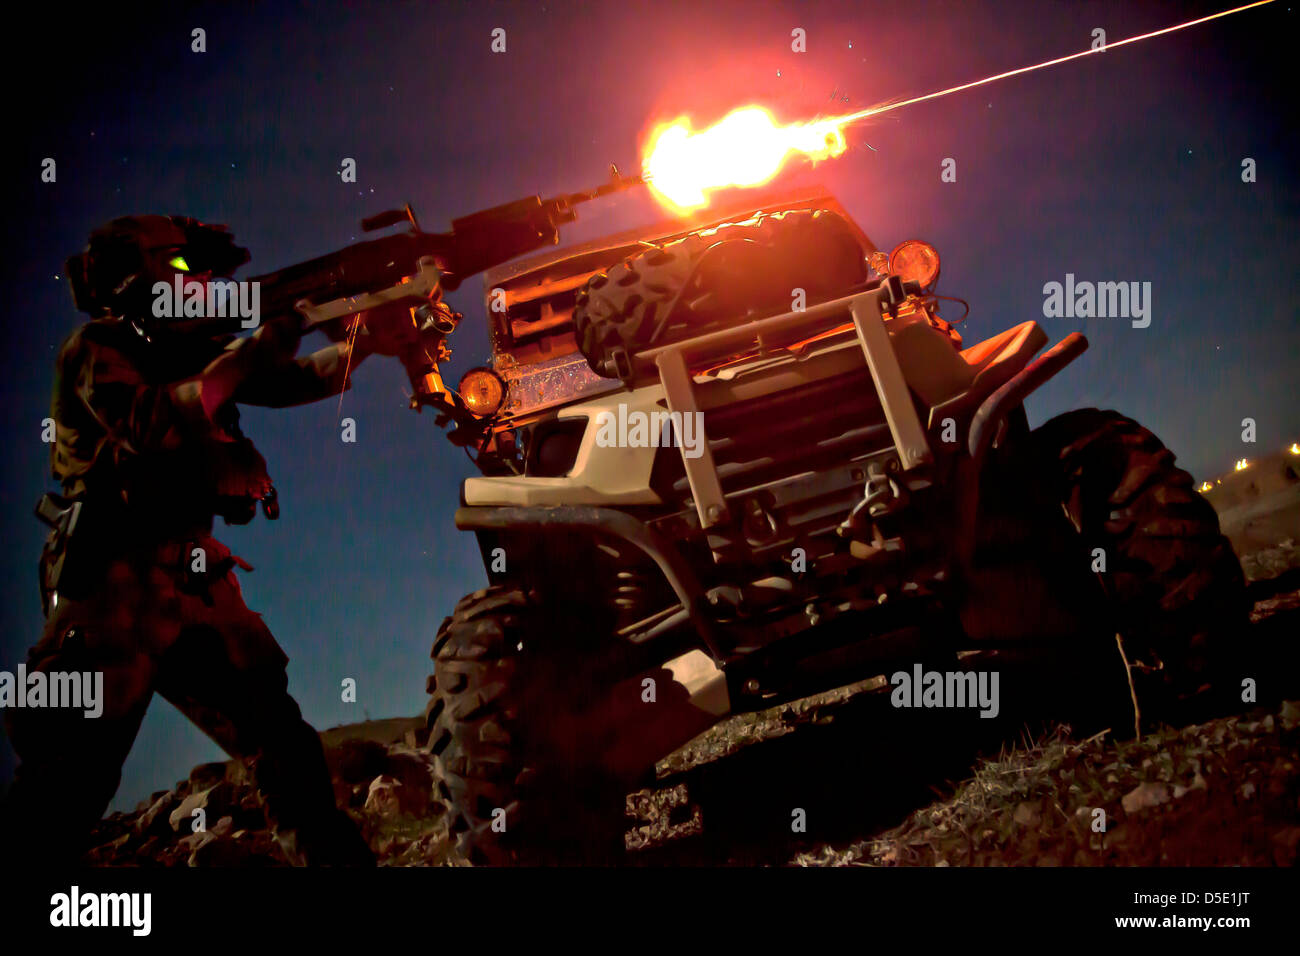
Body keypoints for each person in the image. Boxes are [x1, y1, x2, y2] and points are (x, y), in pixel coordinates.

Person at [1, 214, 411, 865]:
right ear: (136, 273)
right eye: (189, 268)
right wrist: (261, 344)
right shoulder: (96, 347)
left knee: (284, 747)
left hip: (193, 579)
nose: (210, 283)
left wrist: (367, 334)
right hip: (114, 578)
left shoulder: (192, 353)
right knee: (69, 774)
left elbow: (296, 380)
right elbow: (151, 423)